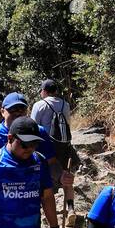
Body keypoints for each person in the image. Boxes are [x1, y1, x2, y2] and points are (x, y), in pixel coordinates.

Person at [31, 79, 77, 213]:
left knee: (44, 178)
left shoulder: (39, 105)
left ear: (44, 91)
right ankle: (71, 209)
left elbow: (34, 127)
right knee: (67, 177)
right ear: (56, 91)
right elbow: (67, 124)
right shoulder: (65, 104)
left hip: (46, 147)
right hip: (63, 146)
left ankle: (45, 211)